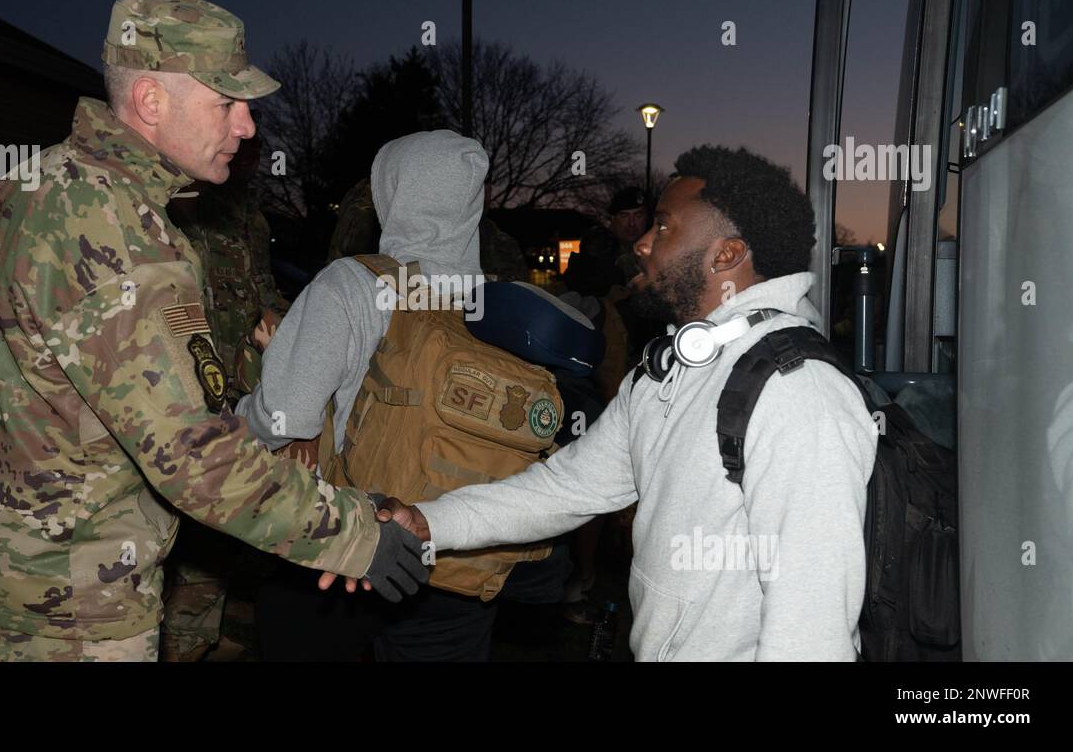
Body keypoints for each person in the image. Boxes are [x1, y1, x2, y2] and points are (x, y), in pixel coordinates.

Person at [0, 0, 426, 662]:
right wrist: (355, 534)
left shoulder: (33, 182)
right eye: (227, 103)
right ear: (150, 100)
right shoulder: (124, 236)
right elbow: (193, 457)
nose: (248, 126)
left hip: (2, 575)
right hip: (77, 608)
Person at [372, 145, 879, 661]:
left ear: (725, 255)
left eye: (662, 227)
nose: (640, 244)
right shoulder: (672, 367)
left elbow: (812, 629)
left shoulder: (797, 390)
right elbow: (566, 487)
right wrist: (429, 520)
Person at [239, 130, 506, 661]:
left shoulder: (354, 284)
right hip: (460, 557)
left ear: (394, 192)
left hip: (352, 547)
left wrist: (245, 399)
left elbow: (284, 417)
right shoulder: (498, 300)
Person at [160, 136, 288, 662]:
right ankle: (185, 639)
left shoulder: (248, 218)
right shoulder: (174, 203)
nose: (247, 161)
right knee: (199, 521)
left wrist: (278, 317)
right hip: (187, 390)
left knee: (233, 514)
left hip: (243, 389)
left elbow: (264, 287)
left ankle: (210, 628)